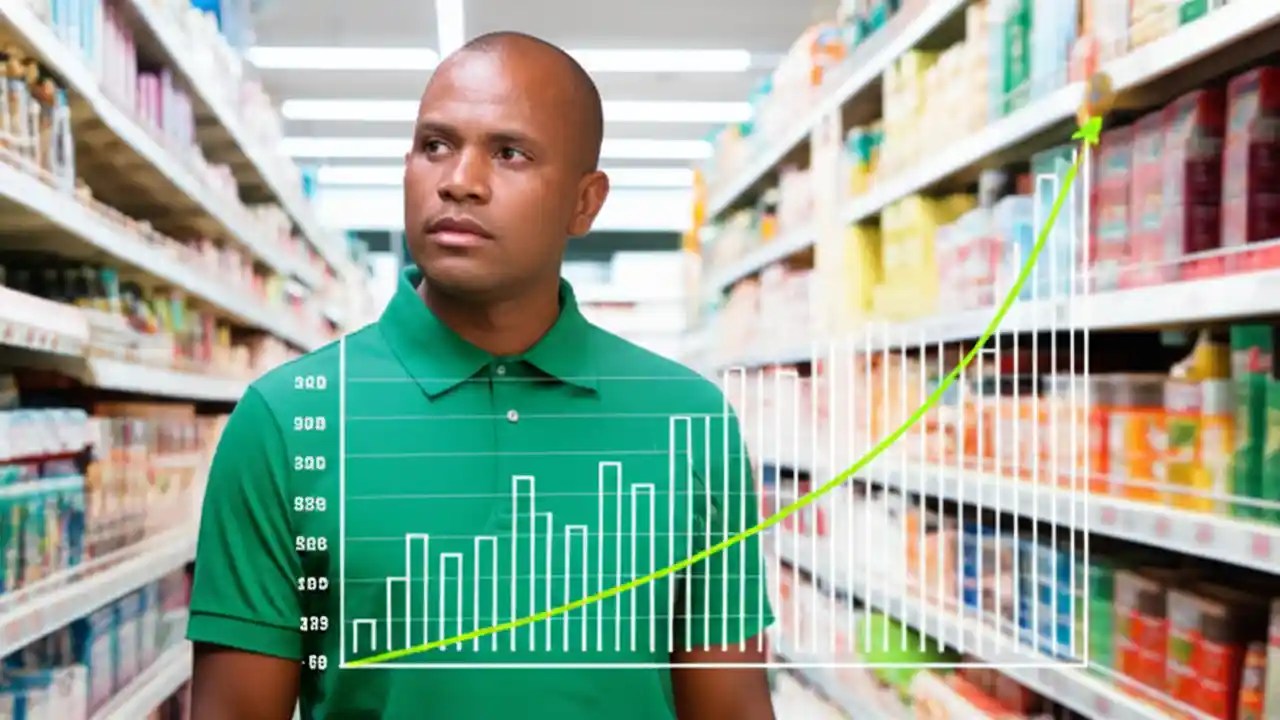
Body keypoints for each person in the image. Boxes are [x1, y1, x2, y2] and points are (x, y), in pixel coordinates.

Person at [187, 31, 775, 720]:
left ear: (585, 203)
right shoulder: (287, 421)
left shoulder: (688, 420)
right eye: (435, 145)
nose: (459, 179)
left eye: (509, 153)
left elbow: (732, 705)